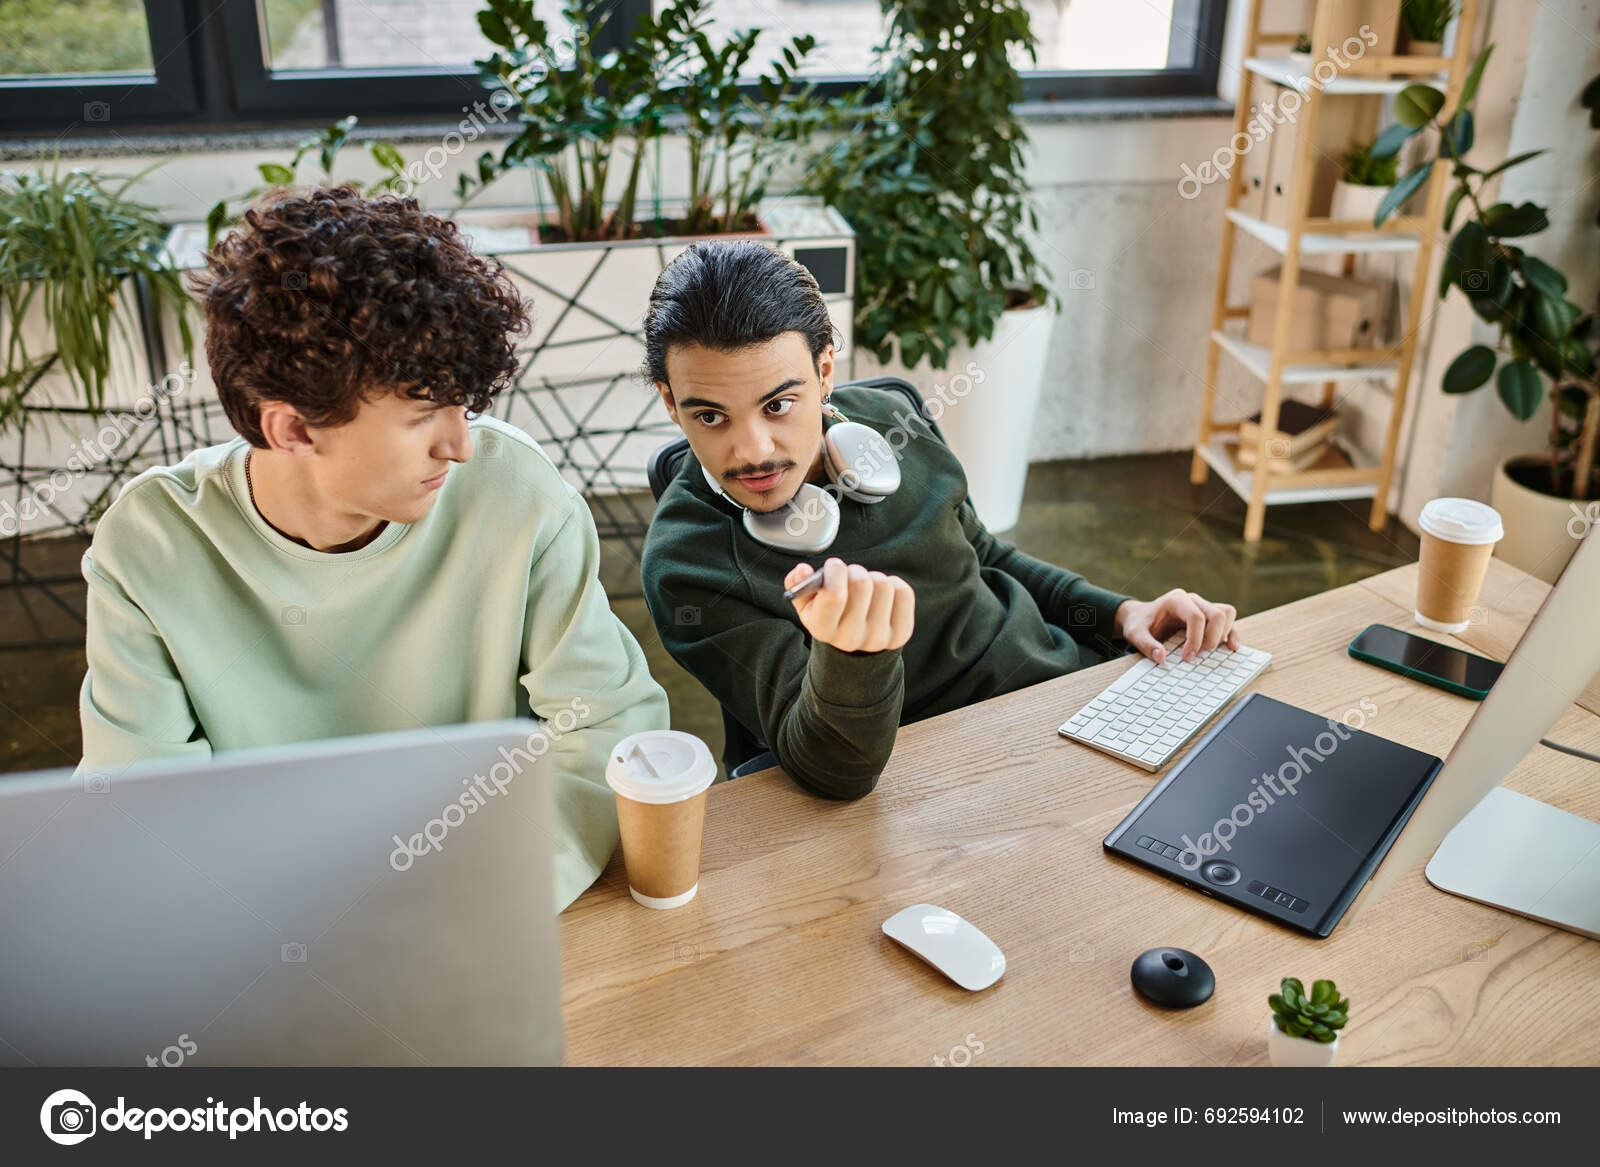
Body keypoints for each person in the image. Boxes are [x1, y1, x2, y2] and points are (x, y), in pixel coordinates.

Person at [76, 186, 668, 909]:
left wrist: (488, 898)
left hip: (470, 899)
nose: (459, 445)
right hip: (260, 926)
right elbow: (140, 807)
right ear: (293, 429)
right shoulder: (150, 546)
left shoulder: (516, 493)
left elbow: (608, 723)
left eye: (465, 405)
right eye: (424, 416)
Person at [640, 240, 1240, 800]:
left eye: (778, 405)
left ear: (825, 371)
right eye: (711, 416)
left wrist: (1119, 613)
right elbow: (833, 767)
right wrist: (853, 653)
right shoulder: (687, 563)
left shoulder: (890, 417)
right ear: (671, 402)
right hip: (952, 777)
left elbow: (987, 557)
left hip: (1070, 689)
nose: (752, 450)